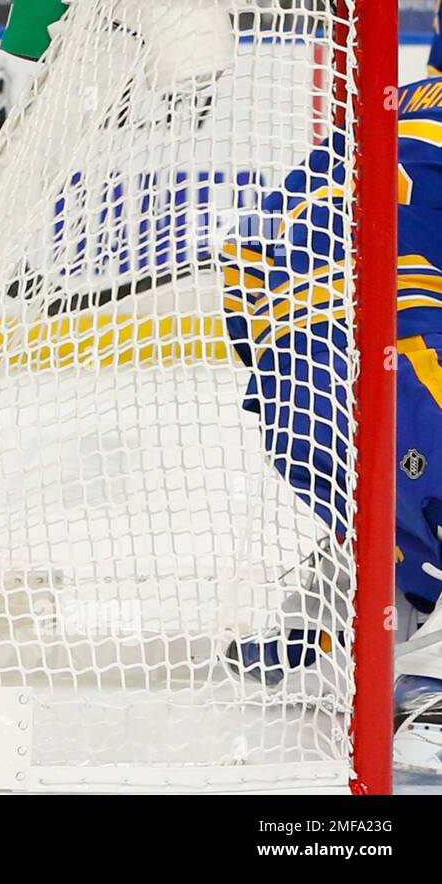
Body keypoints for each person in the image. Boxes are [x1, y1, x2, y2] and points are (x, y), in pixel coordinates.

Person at [221, 75, 442, 774]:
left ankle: (321, 632)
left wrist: (287, 366)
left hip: (290, 391)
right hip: (404, 370)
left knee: (391, 506)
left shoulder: (395, 102)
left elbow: (243, 257)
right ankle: (432, 691)